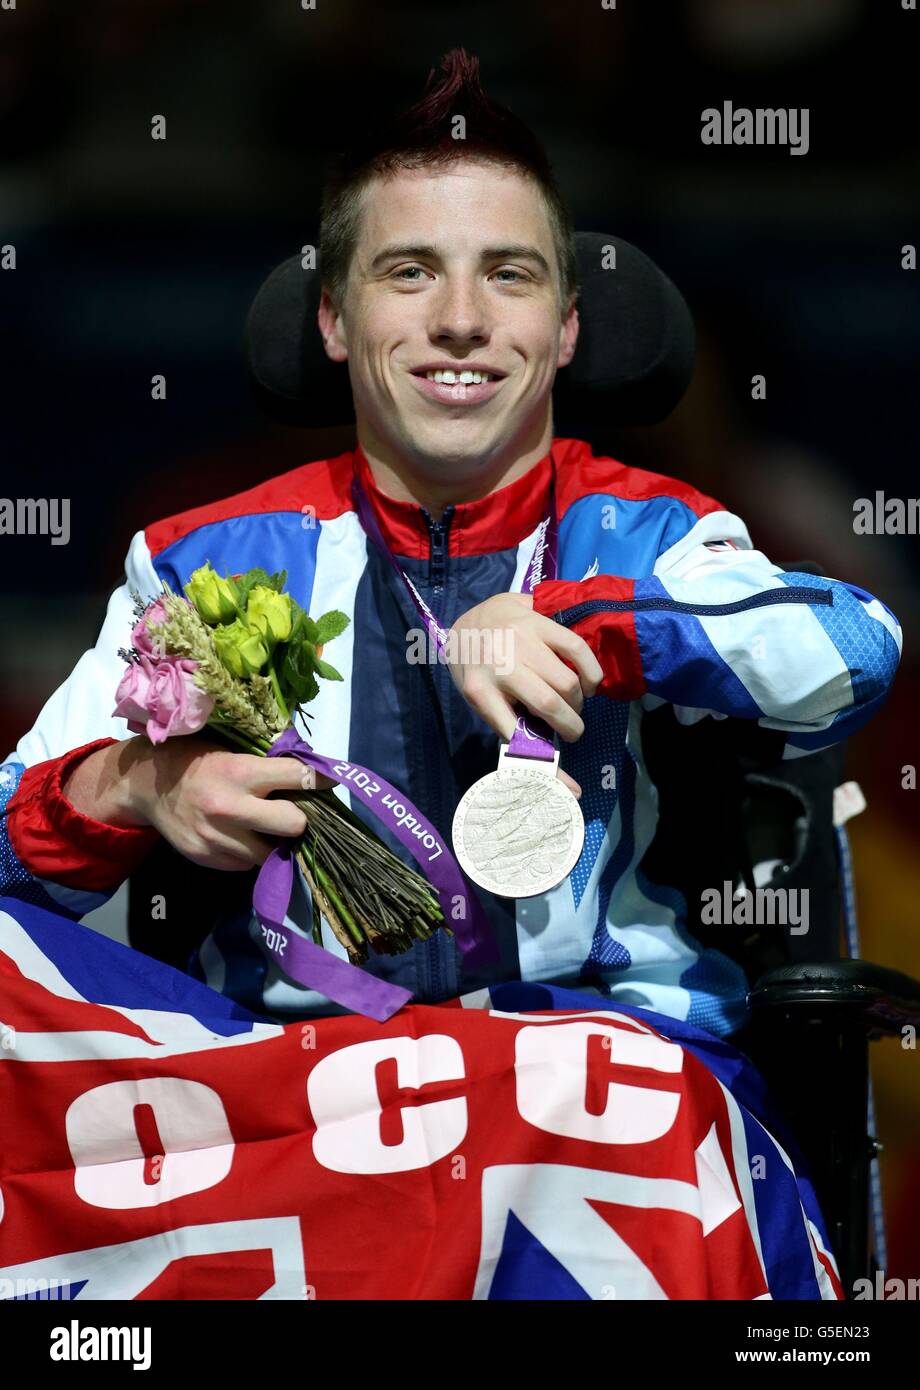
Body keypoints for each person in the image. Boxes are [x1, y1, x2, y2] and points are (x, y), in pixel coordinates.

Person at [0, 49, 900, 1300]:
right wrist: (137, 784)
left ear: (567, 327)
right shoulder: (205, 558)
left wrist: (594, 621)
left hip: (589, 1075)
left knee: (579, 1106)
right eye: (407, 271)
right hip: (303, 1087)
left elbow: (851, 648)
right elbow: (8, 834)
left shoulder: (647, 534)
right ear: (332, 319)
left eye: (509, 274)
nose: (461, 319)